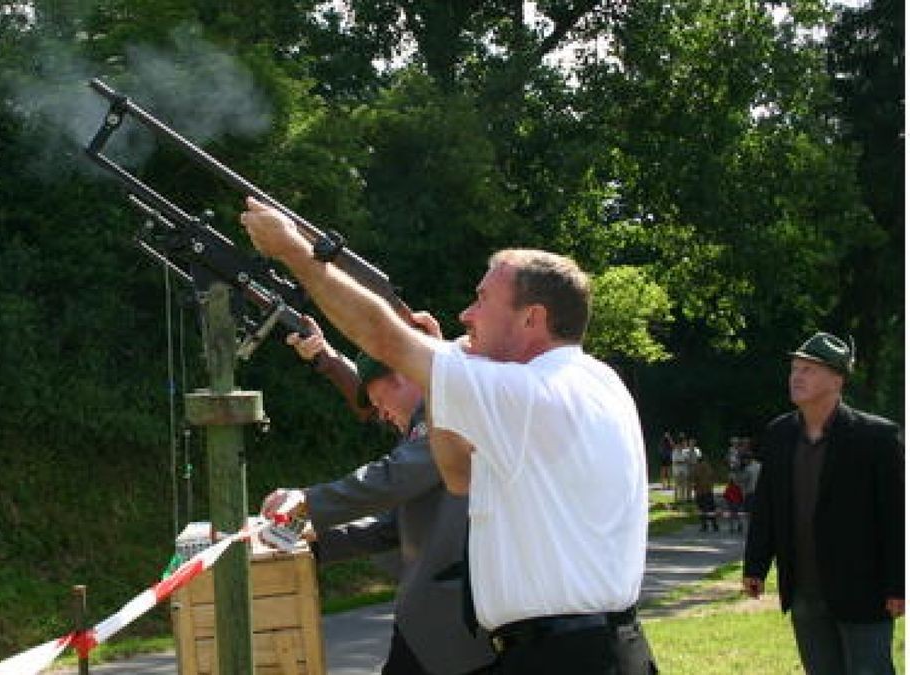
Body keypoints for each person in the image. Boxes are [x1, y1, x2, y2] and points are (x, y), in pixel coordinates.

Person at [240, 197, 656, 674]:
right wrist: (443, 376)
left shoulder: (528, 394)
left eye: (482, 300)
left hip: (562, 657)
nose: (466, 314)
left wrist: (294, 251)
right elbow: (457, 473)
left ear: (531, 318)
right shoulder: (594, 380)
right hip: (586, 649)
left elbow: (383, 337)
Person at [261, 316, 495, 675]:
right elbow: (390, 526)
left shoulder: (446, 415)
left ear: (400, 377)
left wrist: (306, 500)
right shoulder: (425, 421)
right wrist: (314, 539)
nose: (381, 414)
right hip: (434, 620)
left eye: (379, 400)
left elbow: (390, 479)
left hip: (455, 616)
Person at [742, 331, 904, 674]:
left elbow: (895, 517)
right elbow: (768, 507)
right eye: (794, 369)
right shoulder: (779, 434)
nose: (796, 377)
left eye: (808, 370)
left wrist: (898, 584)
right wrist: (755, 565)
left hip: (865, 591)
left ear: (837, 379)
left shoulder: (877, 438)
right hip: (804, 592)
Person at [691, 455, 719, 533]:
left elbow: (694, 479)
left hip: (700, 492)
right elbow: (713, 477)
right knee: (711, 508)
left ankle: (704, 525)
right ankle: (714, 525)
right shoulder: (709, 468)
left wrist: (695, 487)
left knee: (702, 509)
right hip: (708, 491)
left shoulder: (697, 468)